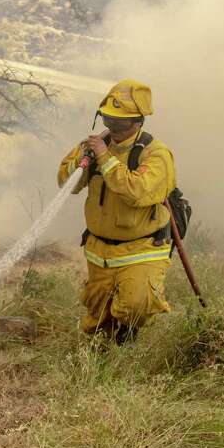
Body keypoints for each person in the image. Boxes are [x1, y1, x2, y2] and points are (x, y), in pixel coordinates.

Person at [57, 80, 176, 344]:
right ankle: (107, 354)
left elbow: (137, 192)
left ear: (138, 122)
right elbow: (67, 183)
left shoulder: (156, 155)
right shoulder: (95, 145)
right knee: (97, 319)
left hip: (141, 248)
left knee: (135, 305)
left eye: (119, 124)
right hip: (100, 250)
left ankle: (129, 332)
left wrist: (104, 158)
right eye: (108, 119)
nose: (112, 129)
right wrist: (82, 160)